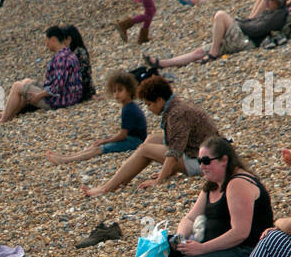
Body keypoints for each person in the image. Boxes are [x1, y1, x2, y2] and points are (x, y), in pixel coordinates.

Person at [87, 137, 273, 257]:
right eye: (200, 161)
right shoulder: (213, 183)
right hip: (216, 245)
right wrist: (180, 236)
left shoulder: (238, 183)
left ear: (224, 160)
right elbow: (190, 217)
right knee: (163, 246)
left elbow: (240, 233)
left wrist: (201, 248)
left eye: (207, 161)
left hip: (246, 252)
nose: (202, 166)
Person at [81, 77, 218, 199]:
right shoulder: (177, 106)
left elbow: (175, 151)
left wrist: (159, 180)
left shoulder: (177, 114)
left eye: (149, 104)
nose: (149, 109)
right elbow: (177, 142)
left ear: (159, 100)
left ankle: (107, 188)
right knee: (152, 139)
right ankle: (124, 176)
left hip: (204, 162)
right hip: (205, 151)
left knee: (144, 149)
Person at [149, 0, 288, 68]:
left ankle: (213, 53)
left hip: (246, 40)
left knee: (220, 15)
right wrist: (243, 22)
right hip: (241, 37)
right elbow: (253, 23)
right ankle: (162, 63)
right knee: (198, 52)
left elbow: (257, 29)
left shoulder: (277, 15)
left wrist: (239, 23)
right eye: (267, 0)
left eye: (270, 0)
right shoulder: (271, 12)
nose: (267, 3)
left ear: (278, 1)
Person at [45, 70, 146, 165]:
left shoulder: (128, 109)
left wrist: (105, 141)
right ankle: (67, 157)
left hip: (135, 142)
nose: (116, 94)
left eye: (120, 90)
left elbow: (123, 135)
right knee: (96, 146)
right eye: (114, 91)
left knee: (98, 149)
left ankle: (66, 160)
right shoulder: (130, 106)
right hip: (133, 139)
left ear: (129, 90)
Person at [0, 28, 83, 125]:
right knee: (26, 82)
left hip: (61, 101)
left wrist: (38, 96)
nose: (46, 44)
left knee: (17, 86)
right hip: (69, 96)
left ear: (53, 39)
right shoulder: (68, 53)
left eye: (47, 41)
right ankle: (6, 114)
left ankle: (3, 120)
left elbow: (57, 87)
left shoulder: (61, 59)